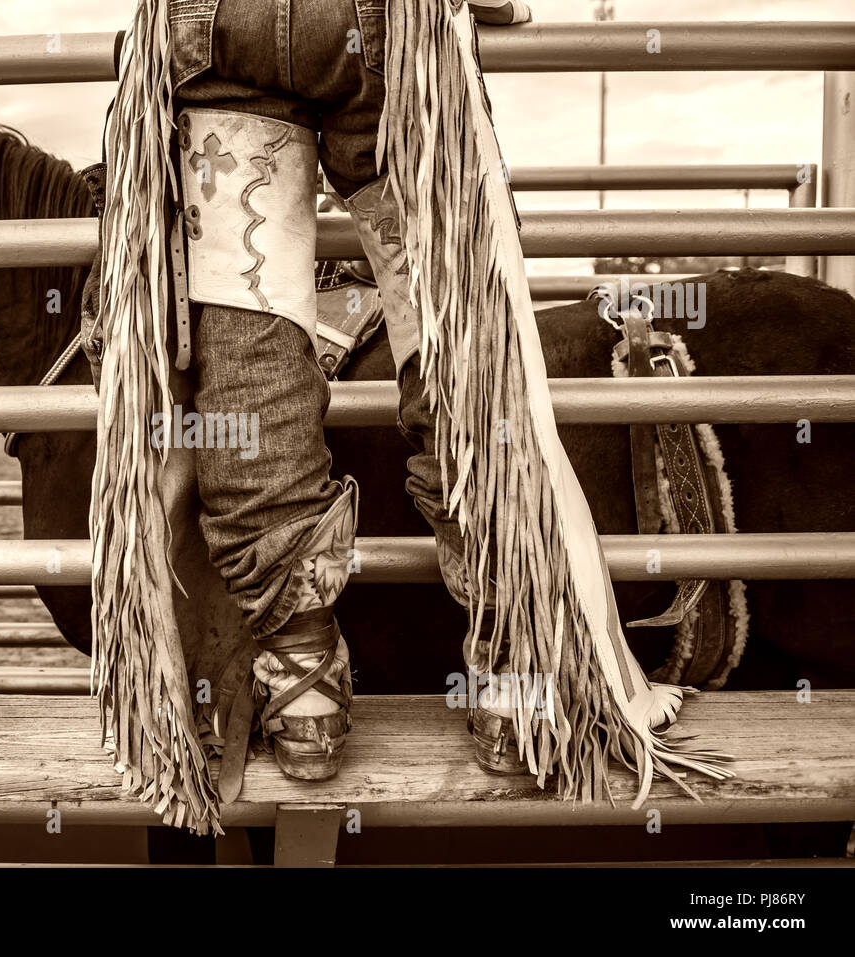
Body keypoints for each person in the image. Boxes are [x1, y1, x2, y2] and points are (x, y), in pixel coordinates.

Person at [89, 0, 731, 834]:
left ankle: (303, 676)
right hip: (383, 22)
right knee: (452, 327)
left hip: (216, 22)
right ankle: (509, 669)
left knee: (247, 327)